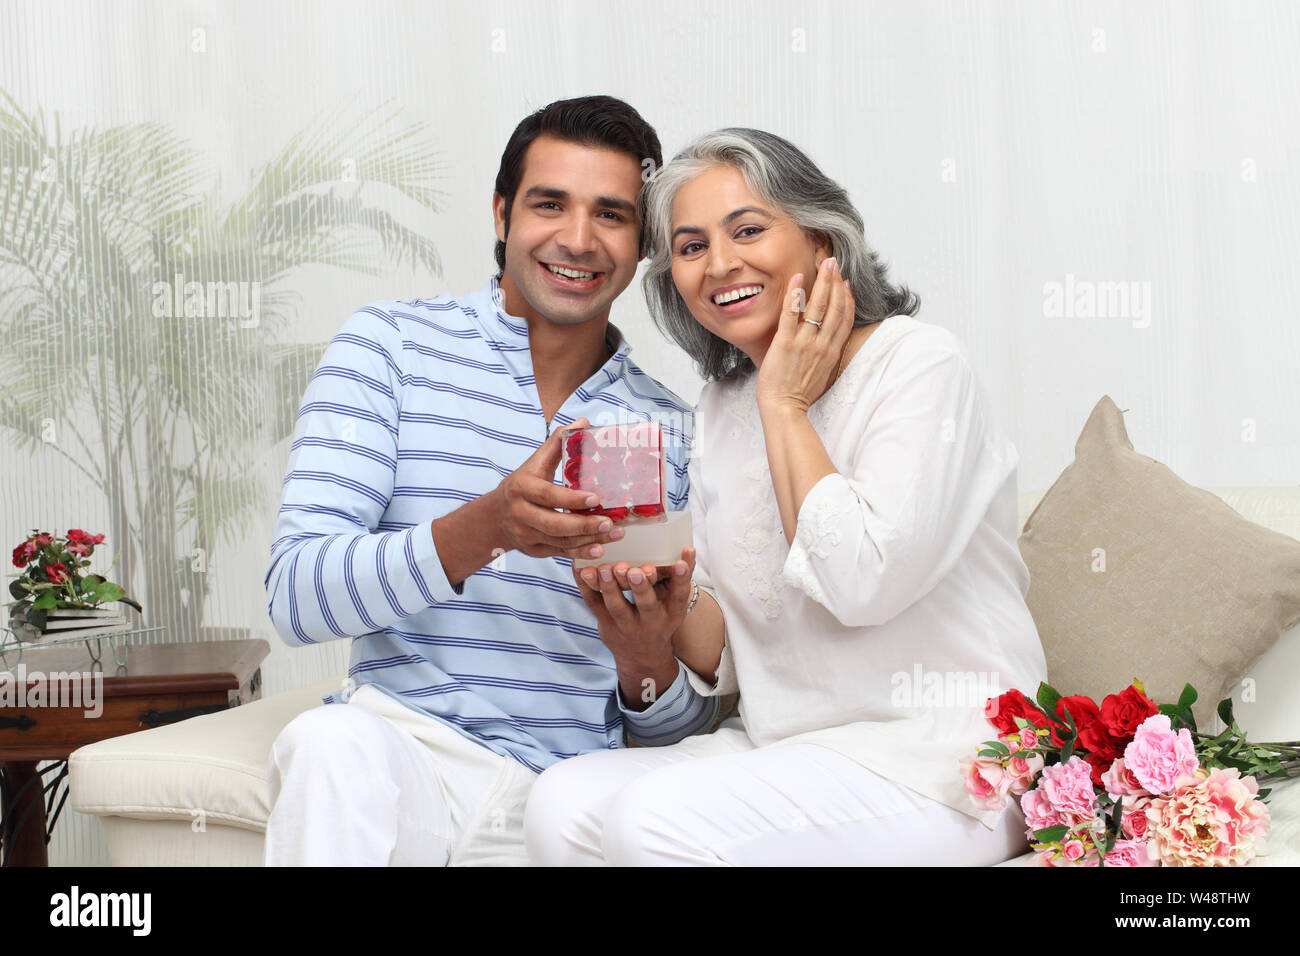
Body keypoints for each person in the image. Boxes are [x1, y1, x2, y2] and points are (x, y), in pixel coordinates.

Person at [523, 128, 1050, 866]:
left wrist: (785, 404)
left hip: (947, 759)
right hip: (792, 746)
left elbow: (862, 583)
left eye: (747, 230)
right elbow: (729, 635)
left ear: (821, 242)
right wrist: (656, 601)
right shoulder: (720, 406)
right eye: (691, 245)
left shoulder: (920, 365)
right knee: (562, 802)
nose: (721, 263)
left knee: (652, 820)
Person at [261, 96, 720, 867]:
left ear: (643, 246)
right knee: (327, 740)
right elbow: (297, 598)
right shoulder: (390, 351)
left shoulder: (674, 431)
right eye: (550, 204)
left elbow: (673, 737)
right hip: (406, 756)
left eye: (610, 215)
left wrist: (646, 661)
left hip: (571, 794)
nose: (578, 239)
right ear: (503, 213)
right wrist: (489, 528)